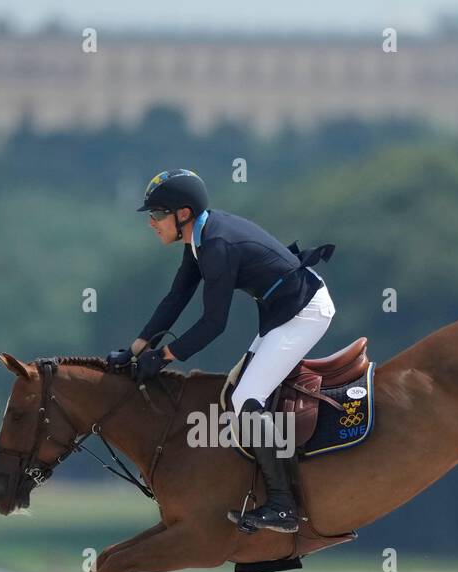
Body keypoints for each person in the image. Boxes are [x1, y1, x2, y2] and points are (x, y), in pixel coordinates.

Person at [107, 168, 336, 533]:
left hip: (305, 311)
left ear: (182, 214)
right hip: (283, 310)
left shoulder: (216, 246)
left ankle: (283, 505)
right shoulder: (200, 238)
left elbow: (214, 323)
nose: (151, 223)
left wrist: (164, 357)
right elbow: (176, 297)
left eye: (156, 215)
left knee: (246, 398)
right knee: (234, 391)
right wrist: (135, 349)